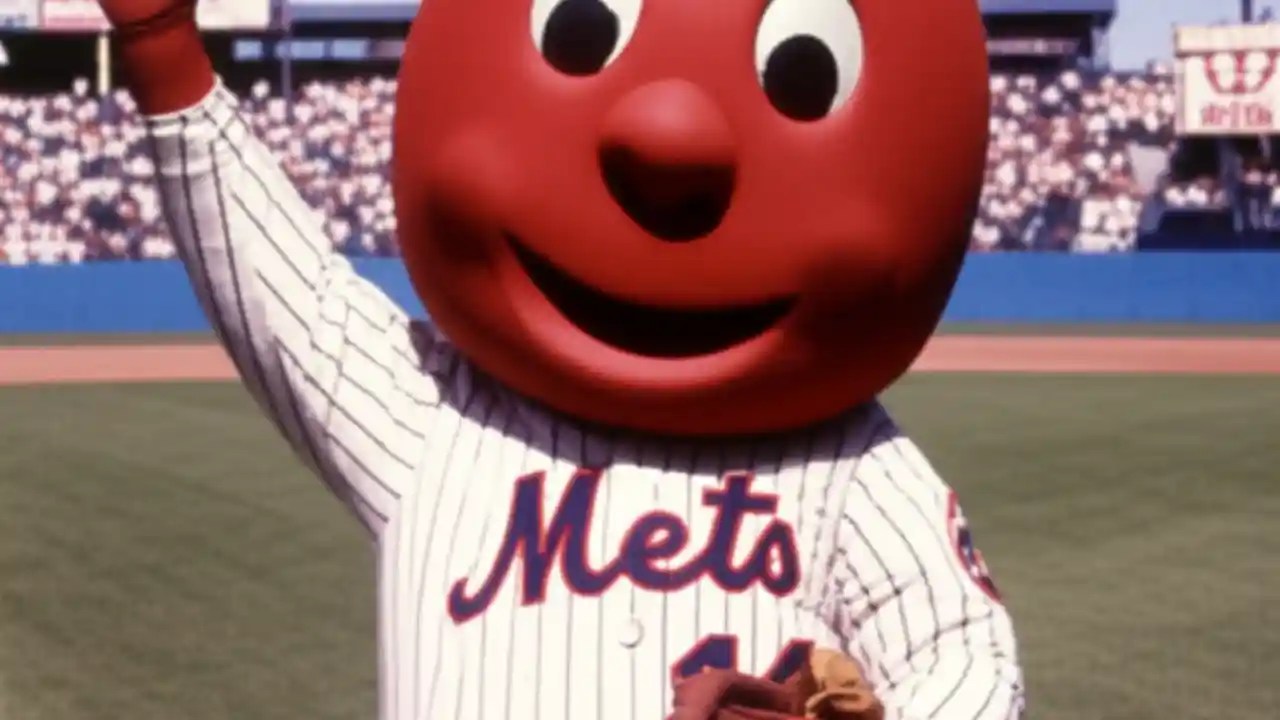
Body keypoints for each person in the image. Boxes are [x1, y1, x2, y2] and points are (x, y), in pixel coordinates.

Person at [98, 0, 1025, 718]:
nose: (672, 132)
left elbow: (965, 661)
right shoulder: (433, 417)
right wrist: (165, 54)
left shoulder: (850, 466)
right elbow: (283, 290)